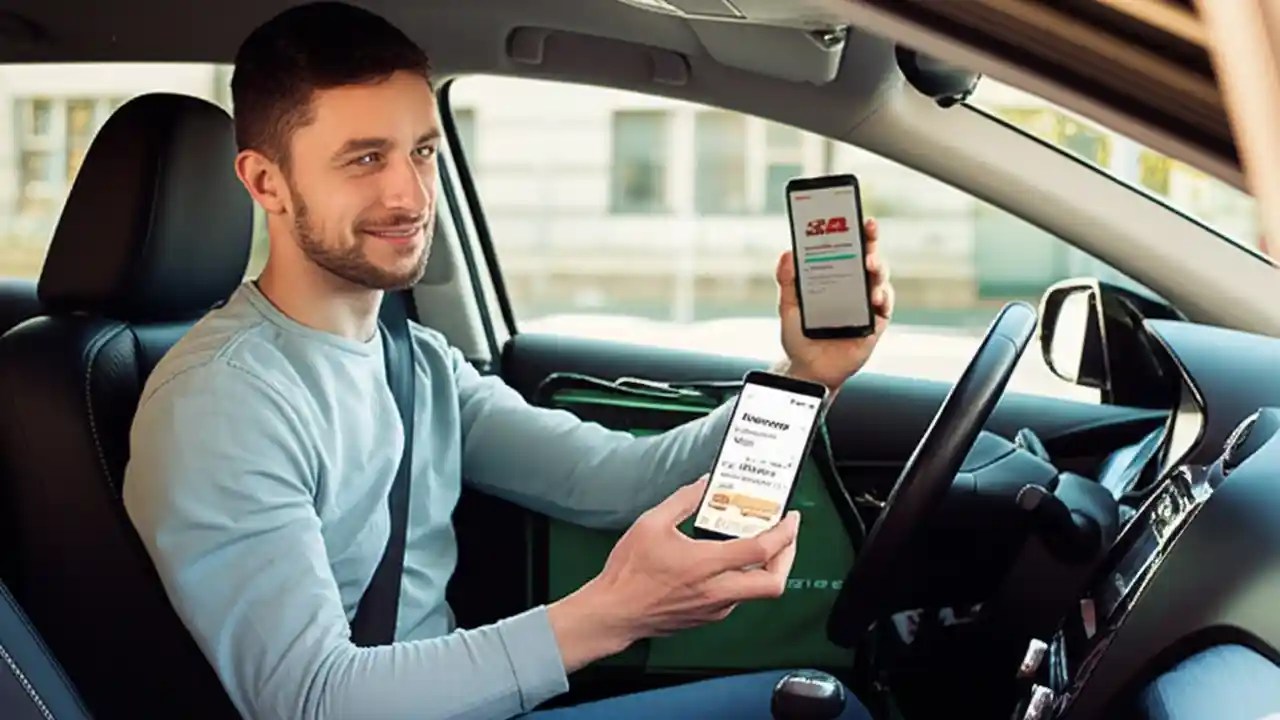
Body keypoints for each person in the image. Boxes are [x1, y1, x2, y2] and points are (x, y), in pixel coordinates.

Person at [121, 3, 894, 719]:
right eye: (363, 159)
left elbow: (614, 481)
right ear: (266, 181)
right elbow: (314, 701)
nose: (411, 195)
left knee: (813, 702)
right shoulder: (221, 402)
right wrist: (613, 613)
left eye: (421, 151)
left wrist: (808, 376)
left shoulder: (414, 359)